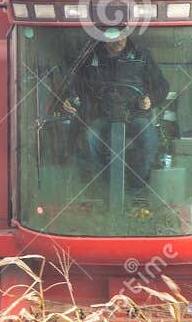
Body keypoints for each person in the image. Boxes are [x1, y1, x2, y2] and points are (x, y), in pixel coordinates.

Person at [60, 30, 170, 201]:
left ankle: (135, 189)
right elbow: (77, 85)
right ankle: (106, 190)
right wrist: (68, 99)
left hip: (136, 114)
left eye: (121, 36)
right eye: (112, 37)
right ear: (103, 37)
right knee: (91, 137)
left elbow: (162, 86)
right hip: (104, 115)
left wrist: (150, 99)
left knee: (148, 138)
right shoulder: (91, 58)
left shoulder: (142, 55)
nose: (118, 40)